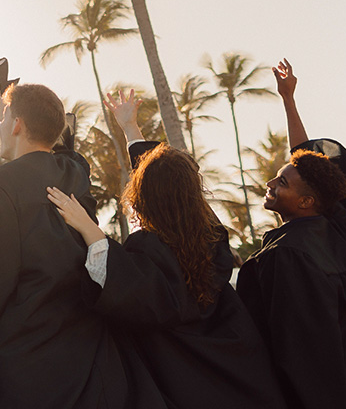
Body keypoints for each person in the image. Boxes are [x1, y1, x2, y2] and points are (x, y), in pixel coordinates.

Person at [49, 89, 285, 409]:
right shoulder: (211, 238)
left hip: (186, 381)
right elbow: (170, 182)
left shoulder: (148, 248)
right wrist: (131, 129)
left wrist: (89, 229)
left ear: (142, 196)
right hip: (237, 372)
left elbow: (129, 286)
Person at [0, 82, 163, 409]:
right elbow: (56, 138)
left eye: (6, 120)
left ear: (18, 125)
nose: (1, 127)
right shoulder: (75, 172)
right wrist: (12, 111)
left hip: (28, 368)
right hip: (92, 358)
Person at [236, 59, 346, 409]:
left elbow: (289, 350)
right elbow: (304, 161)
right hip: (344, 385)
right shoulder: (338, 230)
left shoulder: (286, 256)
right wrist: (288, 100)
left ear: (307, 201)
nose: (269, 184)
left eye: (280, 183)